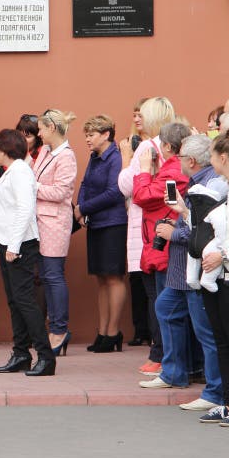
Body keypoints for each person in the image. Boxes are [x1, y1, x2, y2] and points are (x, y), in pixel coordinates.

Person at [139, 134, 226, 411]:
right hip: (183, 270)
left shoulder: (209, 186)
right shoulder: (199, 182)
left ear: (191, 160)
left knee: (206, 333)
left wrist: (172, 232)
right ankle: (175, 372)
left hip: (197, 271)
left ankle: (215, 391)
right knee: (165, 308)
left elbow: (204, 233)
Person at [0, 129, 55, 377]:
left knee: (25, 301)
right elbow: (6, 214)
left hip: (20, 246)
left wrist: (13, 247)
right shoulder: (12, 172)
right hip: (8, 243)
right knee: (15, 301)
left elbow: (25, 209)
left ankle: (45, 357)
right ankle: (21, 353)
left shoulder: (20, 171)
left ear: (4, 149)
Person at [119, 96, 176, 375]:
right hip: (167, 225)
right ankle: (163, 353)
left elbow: (129, 187)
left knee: (156, 294)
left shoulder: (146, 147)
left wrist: (128, 160)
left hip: (150, 228)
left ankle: (161, 354)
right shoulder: (171, 148)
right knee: (163, 294)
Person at [133, 120, 191, 376]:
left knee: (165, 308)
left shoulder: (174, 171)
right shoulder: (174, 168)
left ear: (167, 146)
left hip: (165, 247)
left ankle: (170, 364)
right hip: (162, 245)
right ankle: (170, 362)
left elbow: (143, 197)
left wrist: (144, 170)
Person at [76, 115, 129, 353]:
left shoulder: (115, 157)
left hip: (113, 223)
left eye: (91, 134)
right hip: (97, 222)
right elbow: (86, 184)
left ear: (106, 134)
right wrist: (80, 207)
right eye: (86, 134)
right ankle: (102, 331)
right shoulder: (95, 157)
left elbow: (114, 192)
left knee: (113, 277)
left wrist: (83, 208)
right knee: (101, 277)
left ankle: (113, 332)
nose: (87, 139)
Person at [197, 128, 229, 426]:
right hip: (222, 276)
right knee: (223, 340)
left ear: (223, 157)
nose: (209, 160)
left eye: (211, 155)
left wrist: (222, 255)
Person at [32, 110, 78, 355]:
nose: (38, 133)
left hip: (55, 224)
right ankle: (56, 329)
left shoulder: (67, 157)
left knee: (53, 275)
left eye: (41, 128)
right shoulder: (45, 152)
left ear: (51, 127)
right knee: (45, 276)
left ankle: (59, 329)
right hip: (40, 223)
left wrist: (33, 187)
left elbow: (60, 192)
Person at [120, 98, 152, 347]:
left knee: (149, 279)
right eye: (134, 114)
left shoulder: (148, 147)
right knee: (136, 279)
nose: (137, 118)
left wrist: (127, 158)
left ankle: (152, 334)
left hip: (144, 212)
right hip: (132, 212)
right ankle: (140, 328)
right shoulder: (132, 143)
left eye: (141, 114)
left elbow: (126, 183)